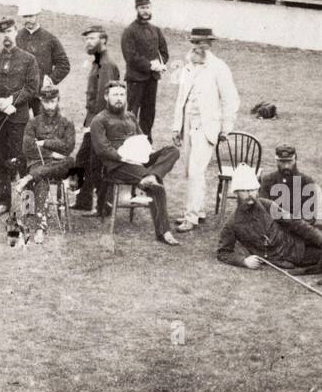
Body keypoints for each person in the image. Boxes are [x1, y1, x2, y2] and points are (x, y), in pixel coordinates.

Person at [89, 81, 181, 245]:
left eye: (122, 95)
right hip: (116, 165)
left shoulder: (130, 116)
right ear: (106, 97)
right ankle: (164, 232)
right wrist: (123, 157)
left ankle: (152, 175)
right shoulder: (99, 120)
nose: (119, 99)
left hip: (138, 160)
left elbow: (141, 138)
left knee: (172, 151)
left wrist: (149, 151)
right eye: (115, 95)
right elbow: (102, 149)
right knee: (156, 186)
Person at [169, 27, 239, 233]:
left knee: (196, 170)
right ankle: (197, 211)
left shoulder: (219, 67)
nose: (198, 48)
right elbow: (181, 98)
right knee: (190, 171)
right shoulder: (188, 66)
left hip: (207, 125)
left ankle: (190, 217)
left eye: (203, 44)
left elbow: (231, 99)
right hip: (188, 123)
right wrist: (176, 127)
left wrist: (226, 128)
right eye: (195, 43)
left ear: (210, 45)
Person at [0, 17, 40, 216]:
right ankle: (4, 201)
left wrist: (12, 101)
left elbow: (32, 87)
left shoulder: (28, 59)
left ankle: (27, 204)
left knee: (21, 159)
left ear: (16, 32)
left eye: (10, 31)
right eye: (3, 32)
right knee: (0, 159)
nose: (7, 36)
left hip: (18, 117)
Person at [215, 166, 322, 270]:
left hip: (295, 241)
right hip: (286, 256)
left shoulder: (267, 205)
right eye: (244, 191)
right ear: (236, 193)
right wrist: (244, 261)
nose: (249, 194)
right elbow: (223, 252)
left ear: (257, 190)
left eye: (252, 190)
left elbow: (295, 222)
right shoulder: (233, 222)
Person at [11, 84, 76, 245]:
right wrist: (53, 151)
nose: (49, 106)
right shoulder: (33, 123)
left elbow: (69, 147)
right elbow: (28, 148)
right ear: (41, 101)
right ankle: (40, 227)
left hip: (59, 165)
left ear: (58, 101)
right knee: (41, 177)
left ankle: (27, 179)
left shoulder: (67, 123)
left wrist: (44, 143)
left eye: (53, 101)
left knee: (71, 161)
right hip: (39, 163)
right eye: (46, 102)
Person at [72, 25, 121, 214]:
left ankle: (103, 207)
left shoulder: (106, 64)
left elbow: (103, 98)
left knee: (96, 163)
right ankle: (83, 200)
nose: (88, 42)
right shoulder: (98, 62)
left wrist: (94, 126)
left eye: (92, 38)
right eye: (86, 39)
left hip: (100, 123)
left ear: (104, 40)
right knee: (82, 160)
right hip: (92, 121)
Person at [121, 0, 170, 141]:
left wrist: (160, 64)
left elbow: (164, 53)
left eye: (148, 7)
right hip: (136, 79)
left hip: (152, 79)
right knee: (132, 113)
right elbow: (130, 56)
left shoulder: (155, 30)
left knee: (149, 113)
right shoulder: (129, 31)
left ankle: (147, 142)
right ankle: (130, 141)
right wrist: (150, 65)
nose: (145, 11)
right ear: (137, 9)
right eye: (142, 8)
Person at [15, 0, 70, 117]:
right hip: (21, 92)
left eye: (31, 16)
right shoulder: (17, 37)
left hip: (42, 93)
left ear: (37, 15)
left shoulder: (49, 39)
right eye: (25, 16)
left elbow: (64, 64)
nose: (27, 19)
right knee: (17, 127)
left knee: (44, 129)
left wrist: (50, 79)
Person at [259, 144, 320, 223]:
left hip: (300, 229)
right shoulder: (268, 180)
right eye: (282, 162)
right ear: (276, 161)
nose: (286, 166)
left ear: (295, 160)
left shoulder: (306, 182)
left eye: (289, 161)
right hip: (274, 228)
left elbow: (310, 216)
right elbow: (263, 211)